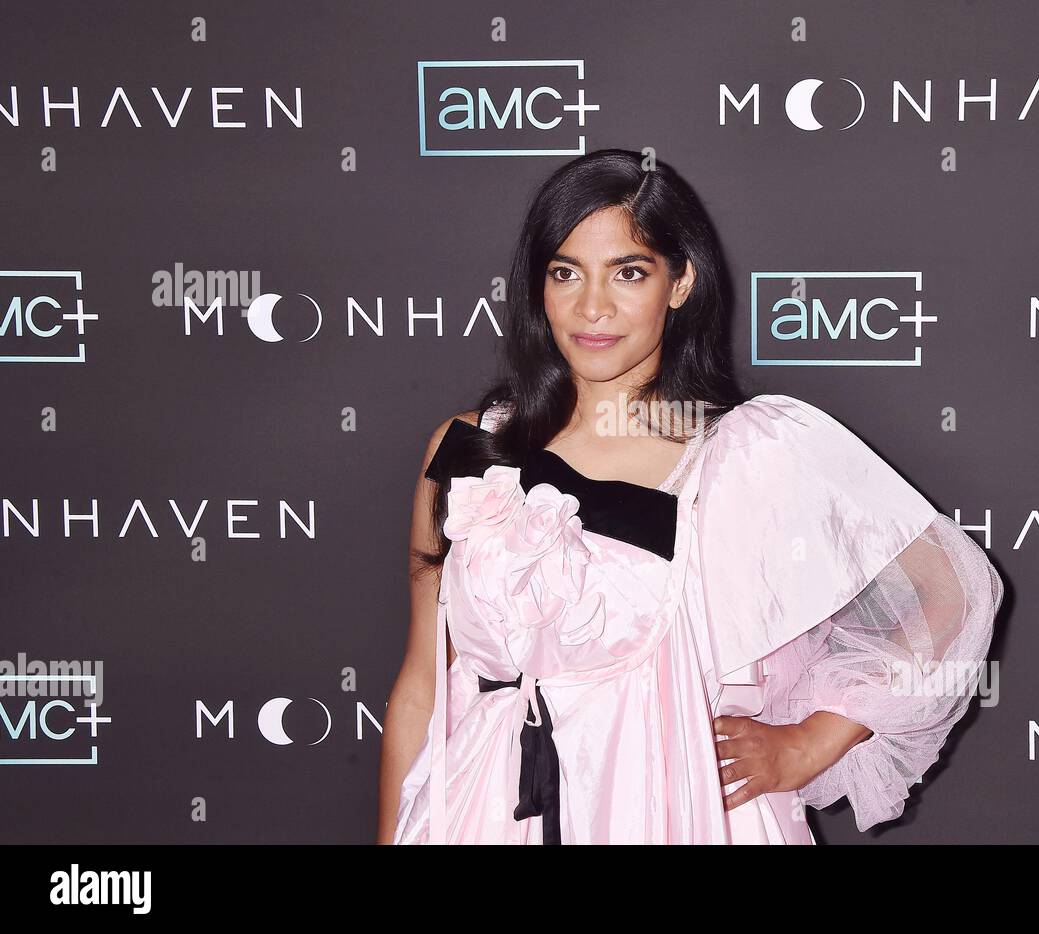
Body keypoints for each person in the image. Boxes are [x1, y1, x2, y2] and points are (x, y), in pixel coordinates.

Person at [376, 148, 1003, 844]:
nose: (593, 307)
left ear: (679, 283)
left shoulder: (744, 452)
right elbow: (422, 686)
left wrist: (806, 744)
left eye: (629, 273)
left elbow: (954, 592)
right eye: (565, 272)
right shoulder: (466, 446)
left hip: (672, 806)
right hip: (479, 812)